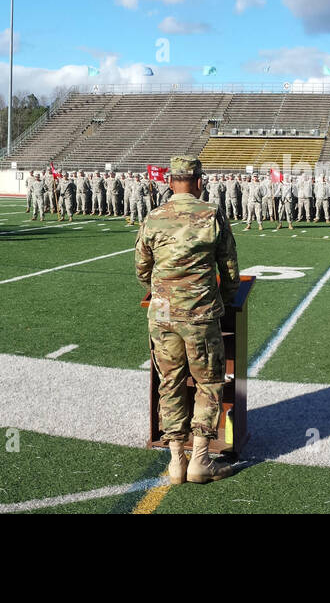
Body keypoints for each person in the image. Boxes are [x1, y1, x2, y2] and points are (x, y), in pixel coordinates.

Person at [135, 156, 239, 485]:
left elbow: (142, 268)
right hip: (199, 313)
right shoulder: (211, 214)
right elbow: (230, 270)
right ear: (198, 182)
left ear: (170, 182)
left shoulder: (154, 217)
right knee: (208, 383)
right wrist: (223, 301)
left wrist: (161, 293)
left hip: (163, 314)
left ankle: (176, 460)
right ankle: (200, 460)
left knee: (171, 383)